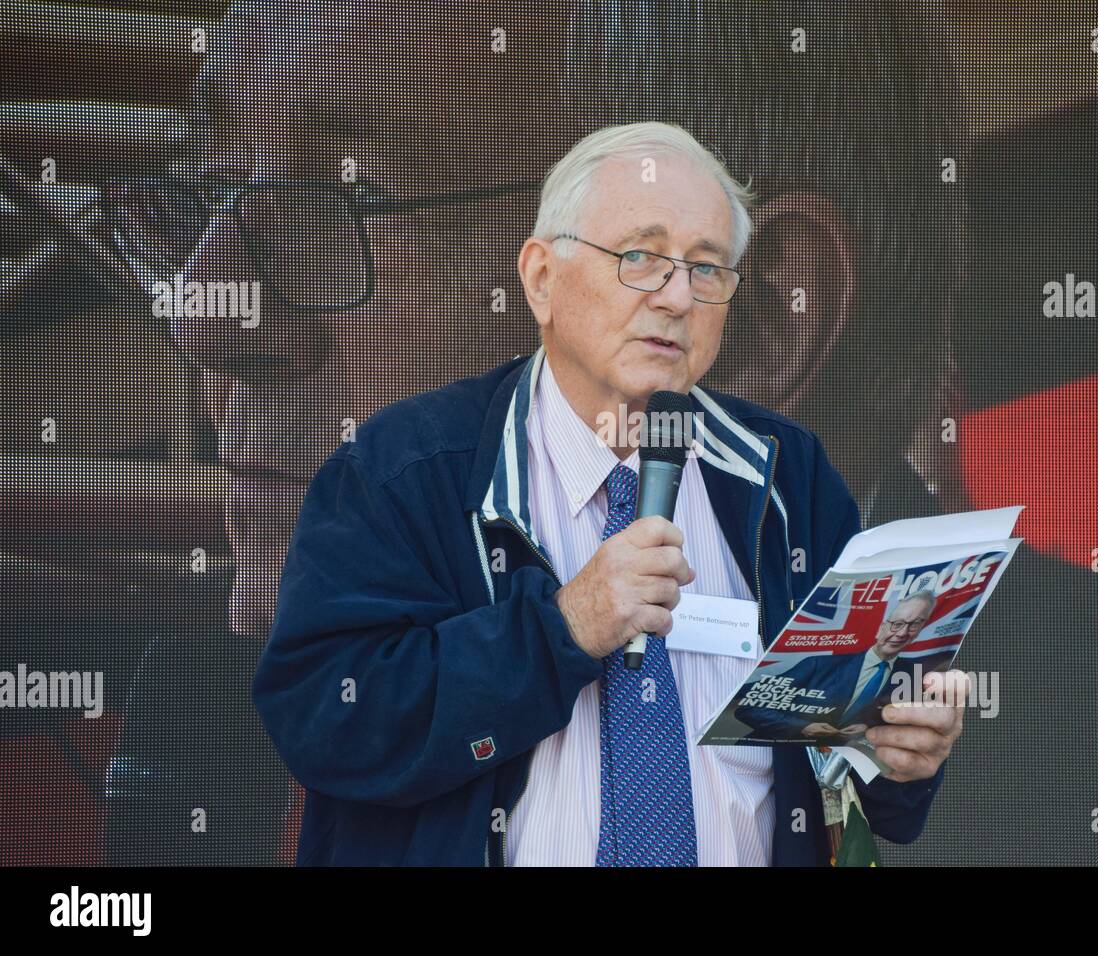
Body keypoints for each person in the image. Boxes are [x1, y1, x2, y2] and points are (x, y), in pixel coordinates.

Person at [251, 122, 967, 866]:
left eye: (708, 268)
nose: (679, 296)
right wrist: (562, 628)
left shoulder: (786, 474)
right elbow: (324, 717)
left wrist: (896, 754)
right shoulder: (402, 471)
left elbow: (839, 764)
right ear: (540, 279)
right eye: (641, 257)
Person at [734, 591, 937, 745]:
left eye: (914, 625)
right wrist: (803, 727)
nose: (902, 633)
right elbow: (749, 707)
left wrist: (867, 728)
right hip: (776, 763)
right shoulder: (819, 664)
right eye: (897, 624)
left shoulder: (913, 677)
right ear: (881, 627)